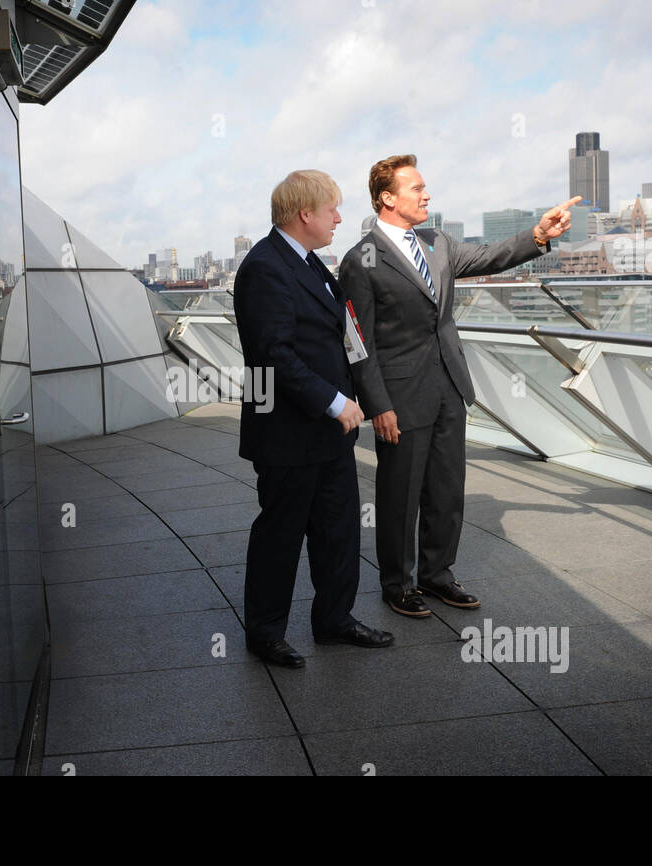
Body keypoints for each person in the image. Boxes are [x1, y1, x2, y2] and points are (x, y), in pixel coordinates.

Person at [338, 154, 577, 618]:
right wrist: (377, 405)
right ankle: (397, 584)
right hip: (399, 397)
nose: (427, 195)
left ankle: (437, 574)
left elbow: (490, 256)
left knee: (448, 490)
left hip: (449, 386)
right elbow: (357, 343)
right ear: (387, 198)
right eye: (416, 188)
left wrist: (539, 234)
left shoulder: (438, 242)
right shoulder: (360, 260)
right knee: (399, 496)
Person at [233, 169, 394, 669]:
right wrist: (334, 400)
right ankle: (265, 634)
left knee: (338, 530)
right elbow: (272, 354)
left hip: (327, 433)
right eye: (332, 210)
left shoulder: (309, 263)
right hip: (288, 434)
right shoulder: (265, 266)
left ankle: (334, 621)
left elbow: (337, 337)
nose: (339, 219)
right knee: (280, 537)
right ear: (305, 214)